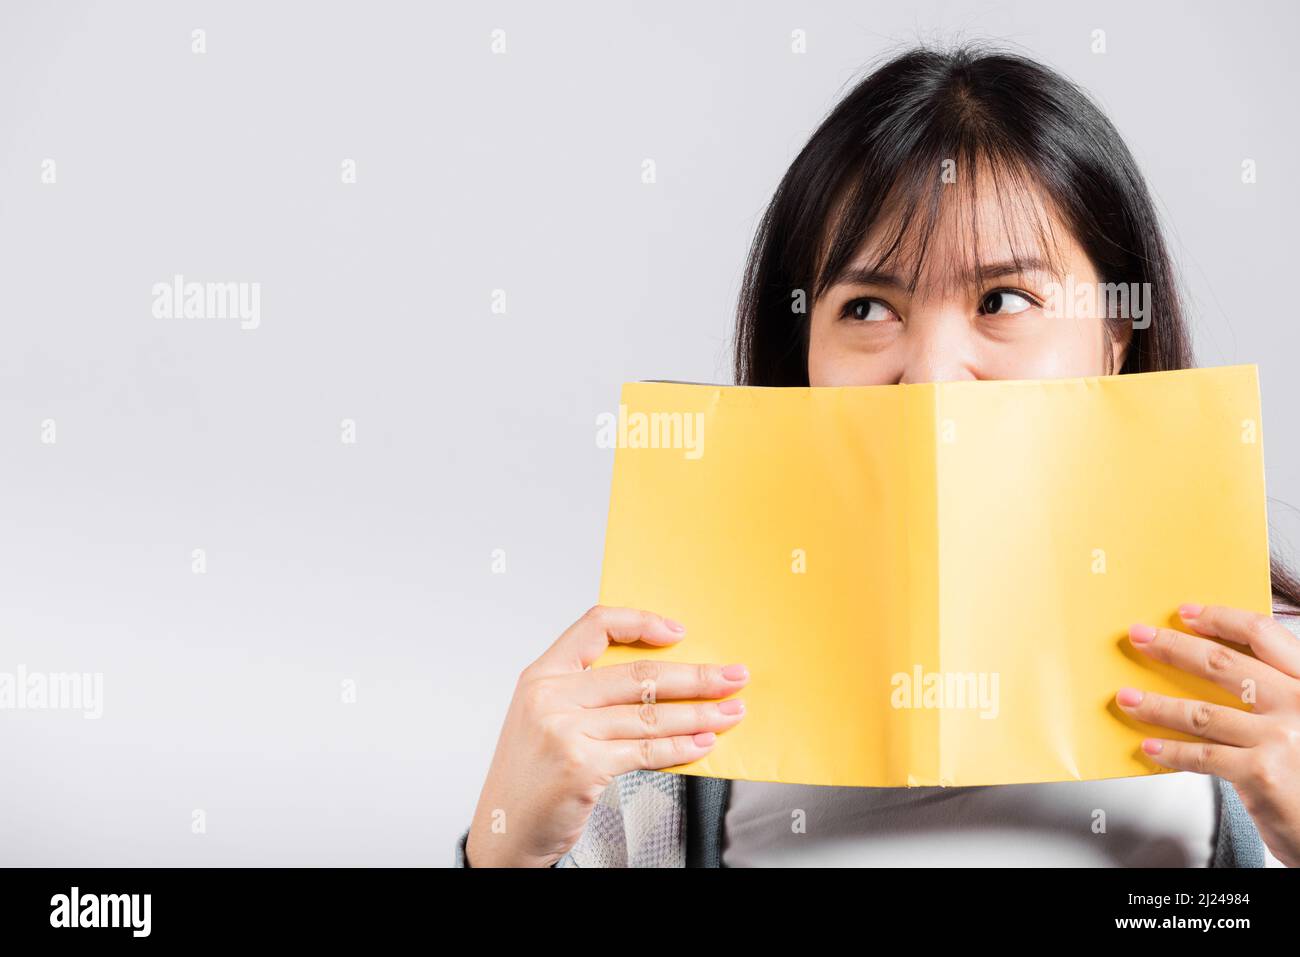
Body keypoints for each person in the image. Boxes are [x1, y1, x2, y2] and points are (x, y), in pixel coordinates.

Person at [458, 44, 1300, 868]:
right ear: (806, 357)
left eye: (1003, 299)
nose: (931, 380)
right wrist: (503, 853)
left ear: (1115, 335)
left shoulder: (1280, 696)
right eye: (867, 308)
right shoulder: (663, 715)